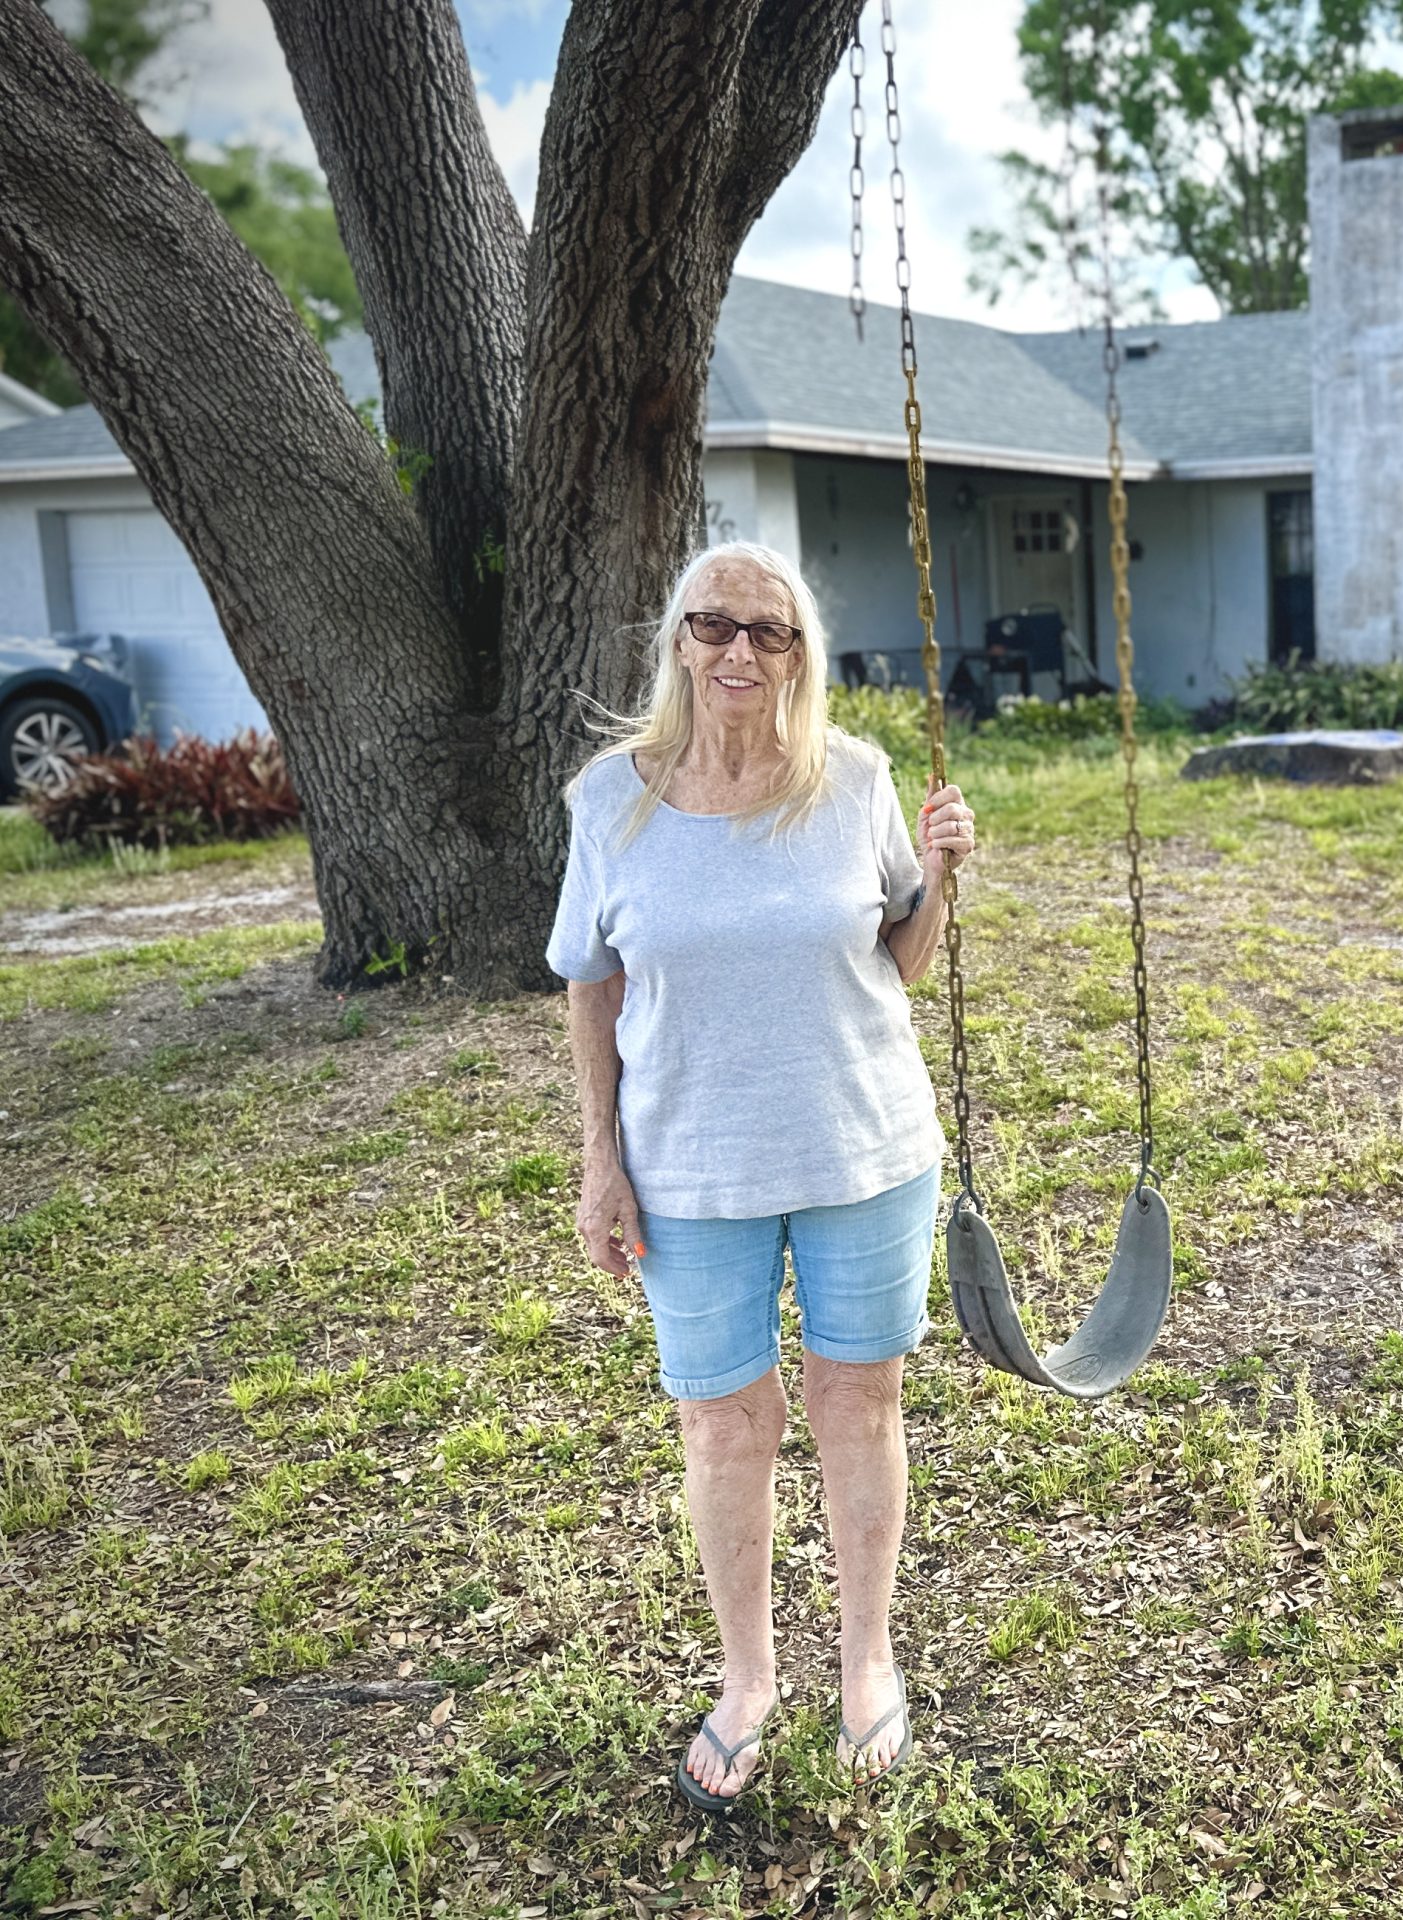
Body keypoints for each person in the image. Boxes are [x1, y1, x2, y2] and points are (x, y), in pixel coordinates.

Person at [544, 539, 974, 1814]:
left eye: (768, 631)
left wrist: (940, 879)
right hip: (689, 1170)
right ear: (678, 639)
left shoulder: (855, 781)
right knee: (725, 1428)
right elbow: (590, 982)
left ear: (800, 654)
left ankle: (866, 1662)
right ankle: (749, 1679)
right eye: (713, 624)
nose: (739, 650)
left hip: (862, 1149)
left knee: (858, 1406)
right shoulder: (607, 803)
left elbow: (903, 960)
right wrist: (600, 1162)